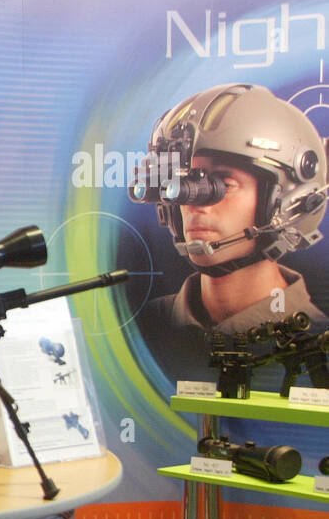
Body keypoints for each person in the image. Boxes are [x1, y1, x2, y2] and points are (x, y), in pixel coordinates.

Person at [132, 83, 329, 381]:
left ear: (288, 202)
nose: (194, 204)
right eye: (183, 182)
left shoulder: (315, 342)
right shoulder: (146, 325)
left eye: (223, 183)